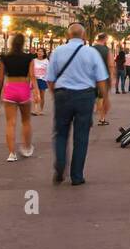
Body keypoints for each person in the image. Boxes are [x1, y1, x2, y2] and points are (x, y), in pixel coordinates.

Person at [47, 22, 110, 185]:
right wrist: (105, 99)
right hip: (85, 96)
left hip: (62, 94)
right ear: (83, 36)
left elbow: (50, 79)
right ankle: (77, 176)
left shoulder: (57, 52)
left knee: (60, 133)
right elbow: (101, 79)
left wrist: (56, 94)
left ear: (68, 35)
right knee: (81, 137)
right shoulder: (91, 53)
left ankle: (60, 165)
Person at [0, 33, 37, 162]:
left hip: (10, 89)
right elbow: (32, 76)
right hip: (23, 89)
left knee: (10, 123)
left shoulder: (4, 58)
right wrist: (36, 92)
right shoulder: (29, 58)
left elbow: (0, 78)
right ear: (23, 43)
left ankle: (11, 153)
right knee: (26, 121)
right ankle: (26, 147)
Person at [91, 34, 115, 125]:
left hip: (91, 77)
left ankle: (89, 117)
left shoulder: (90, 49)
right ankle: (102, 118)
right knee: (103, 98)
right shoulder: (106, 50)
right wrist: (112, 77)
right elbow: (111, 64)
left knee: (91, 97)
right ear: (105, 39)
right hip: (104, 77)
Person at [32, 47, 50, 115]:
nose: (39, 53)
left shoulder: (46, 61)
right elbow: (31, 70)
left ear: (44, 53)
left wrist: (46, 79)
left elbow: (48, 71)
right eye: (38, 51)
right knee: (35, 95)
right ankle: (35, 109)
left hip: (43, 80)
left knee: (42, 95)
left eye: (41, 51)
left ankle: (41, 110)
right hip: (35, 80)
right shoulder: (33, 60)